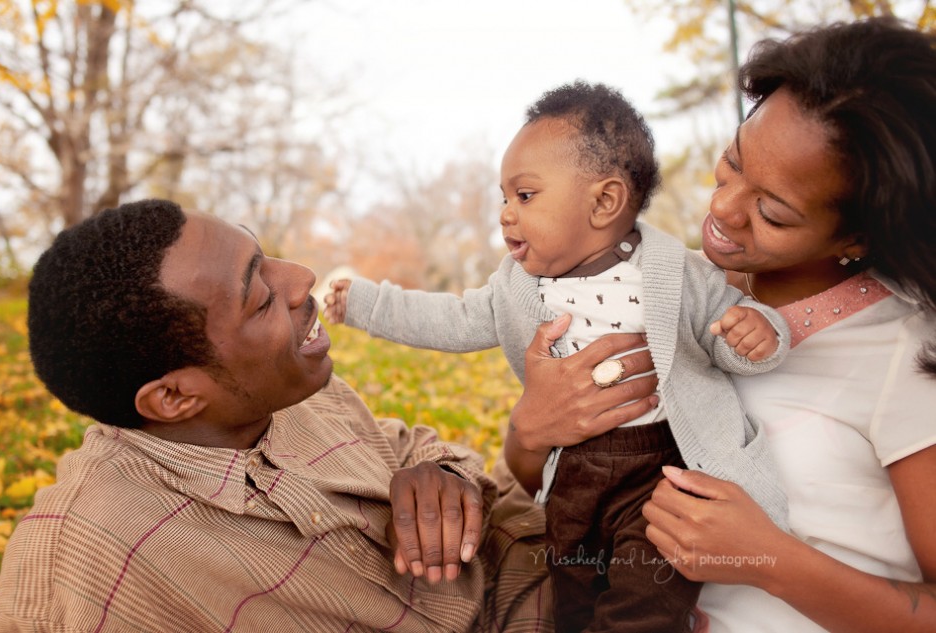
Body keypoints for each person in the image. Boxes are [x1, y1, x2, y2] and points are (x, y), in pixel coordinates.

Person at [505, 17, 936, 633]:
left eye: (771, 212)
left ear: (861, 234)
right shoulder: (670, 290)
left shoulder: (905, 352)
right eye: (732, 162)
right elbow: (555, 481)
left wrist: (767, 560)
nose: (723, 208)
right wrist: (529, 429)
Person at [323, 81, 791, 633]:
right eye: (503, 197)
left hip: (661, 466)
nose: (505, 214)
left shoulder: (675, 272)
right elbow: (448, 318)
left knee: (646, 592)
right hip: (573, 471)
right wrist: (366, 303)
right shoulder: (517, 287)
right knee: (574, 591)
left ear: (603, 201)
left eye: (524, 196)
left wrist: (760, 333)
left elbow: (728, 329)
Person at [0, 199, 556, 633]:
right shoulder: (90, 555)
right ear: (176, 399)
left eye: (263, 255)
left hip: (536, 576)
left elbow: (410, 446)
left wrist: (443, 478)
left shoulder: (291, 389)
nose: (302, 277)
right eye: (258, 298)